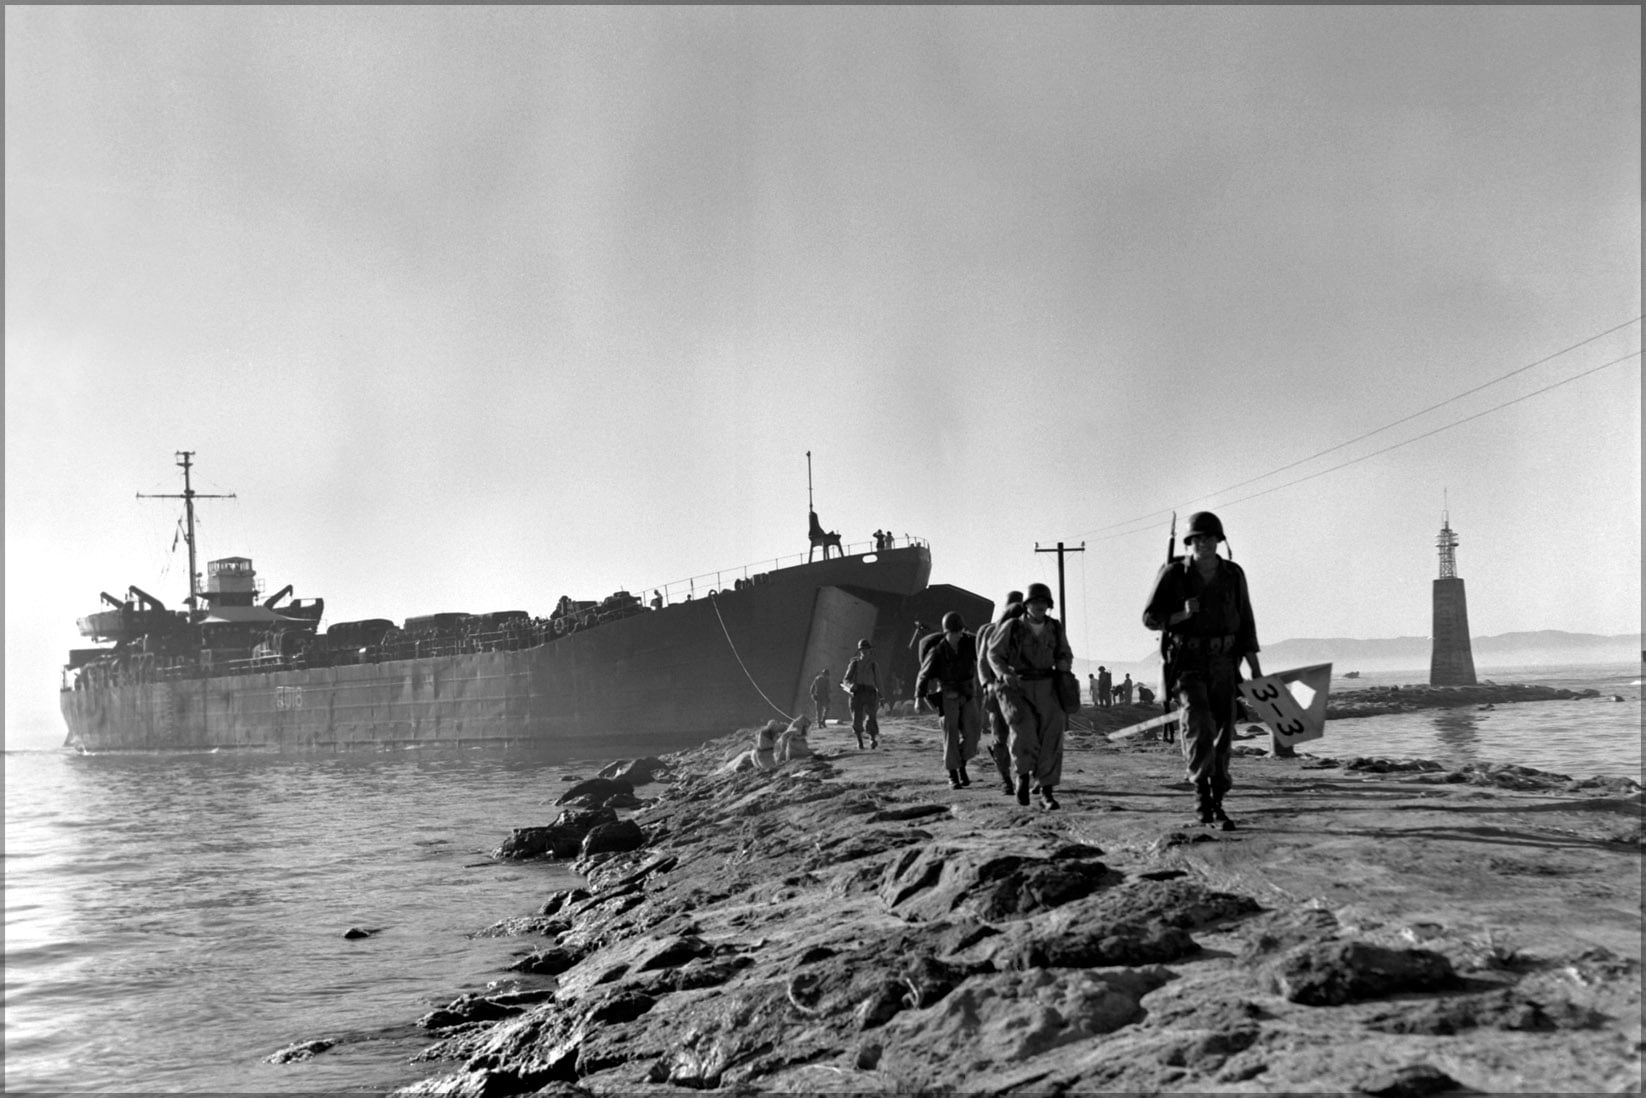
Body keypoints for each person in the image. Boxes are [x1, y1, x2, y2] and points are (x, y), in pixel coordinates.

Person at [1143, 510, 1261, 831]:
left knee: (1224, 732)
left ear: (1219, 541)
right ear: (1190, 542)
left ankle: (1218, 799)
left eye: (1209, 538)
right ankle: (1200, 794)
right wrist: (1181, 615)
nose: (1203, 544)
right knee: (1198, 725)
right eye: (1197, 539)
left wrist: (1256, 671)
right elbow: (1151, 618)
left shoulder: (1233, 574)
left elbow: (1246, 625)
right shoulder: (1173, 574)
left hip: (1225, 663)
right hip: (1187, 663)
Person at [987, 582, 1073, 810]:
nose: (1039, 607)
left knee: (1052, 736)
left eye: (1043, 603)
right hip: (1018, 687)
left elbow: (1065, 652)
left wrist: (1064, 664)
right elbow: (994, 653)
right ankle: (1023, 776)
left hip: (1047, 685)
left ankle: (1047, 791)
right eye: (1035, 603)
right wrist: (1003, 674)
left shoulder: (1054, 627)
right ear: (1026, 605)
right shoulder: (1013, 627)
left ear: (1049, 605)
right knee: (1023, 733)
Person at [916, 611, 980, 790]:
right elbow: (924, 675)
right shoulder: (937, 651)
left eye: (961, 631)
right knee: (950, 735)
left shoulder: (969, 644)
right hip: (948, 695)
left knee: (974, 734)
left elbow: (984, 654)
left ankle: (961, 763)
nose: (959, 634)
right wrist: (918, 698)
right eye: (955, 632)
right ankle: (953, 775)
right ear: (946, 633)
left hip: (967, 694)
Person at [975, 592, 1024, 796]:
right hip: (998, 691)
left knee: (1026, 737)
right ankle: (1005, 779)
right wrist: (986, 684)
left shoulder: (1028, 632)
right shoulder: (992, 632)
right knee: (1000, 737)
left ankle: (1024, 776)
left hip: (1023, 692)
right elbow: (983, 662)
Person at [841, 639, 881, 749]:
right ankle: (859, 741)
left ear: (870, 650)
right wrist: (851, 685)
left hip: (870, 692)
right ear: (860, 651)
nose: (865, 652)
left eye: (867, 649)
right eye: (863, 650)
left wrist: (881, 695)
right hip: (857, 692)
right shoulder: (854, 664)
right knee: (857, 718)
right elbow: (846, 679)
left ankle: (872, 739)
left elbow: (878, 681)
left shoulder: (874, 665)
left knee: (871, 716)